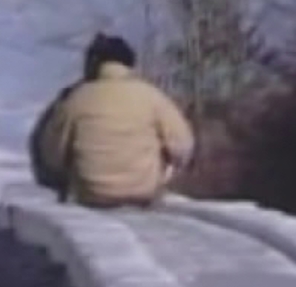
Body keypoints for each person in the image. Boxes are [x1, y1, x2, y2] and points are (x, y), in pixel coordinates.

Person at [36, 35, 194, 208]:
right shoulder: (151, 96)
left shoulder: (77, 98)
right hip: (143, 192)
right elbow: (182, 145)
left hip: (91, 193)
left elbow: (52, 152)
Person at [26, 32, 114, 196]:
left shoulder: (73, 97)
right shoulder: (149, 97)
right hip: (141, 188)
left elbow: (45, 144)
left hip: (84, 188)